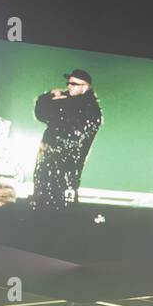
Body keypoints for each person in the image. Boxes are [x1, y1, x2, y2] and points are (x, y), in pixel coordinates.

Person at [30, 68, 102, 210]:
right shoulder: (67, 102)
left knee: (60, 200)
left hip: (65, 165)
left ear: (85, 87)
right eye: (69, 82)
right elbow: (41, 114)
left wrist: (54, 101)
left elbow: (75, 137)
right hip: (51, 161)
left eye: (74, 84)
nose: (69, 86)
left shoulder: (89, 110)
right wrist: (50, 96)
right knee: (45, 195)